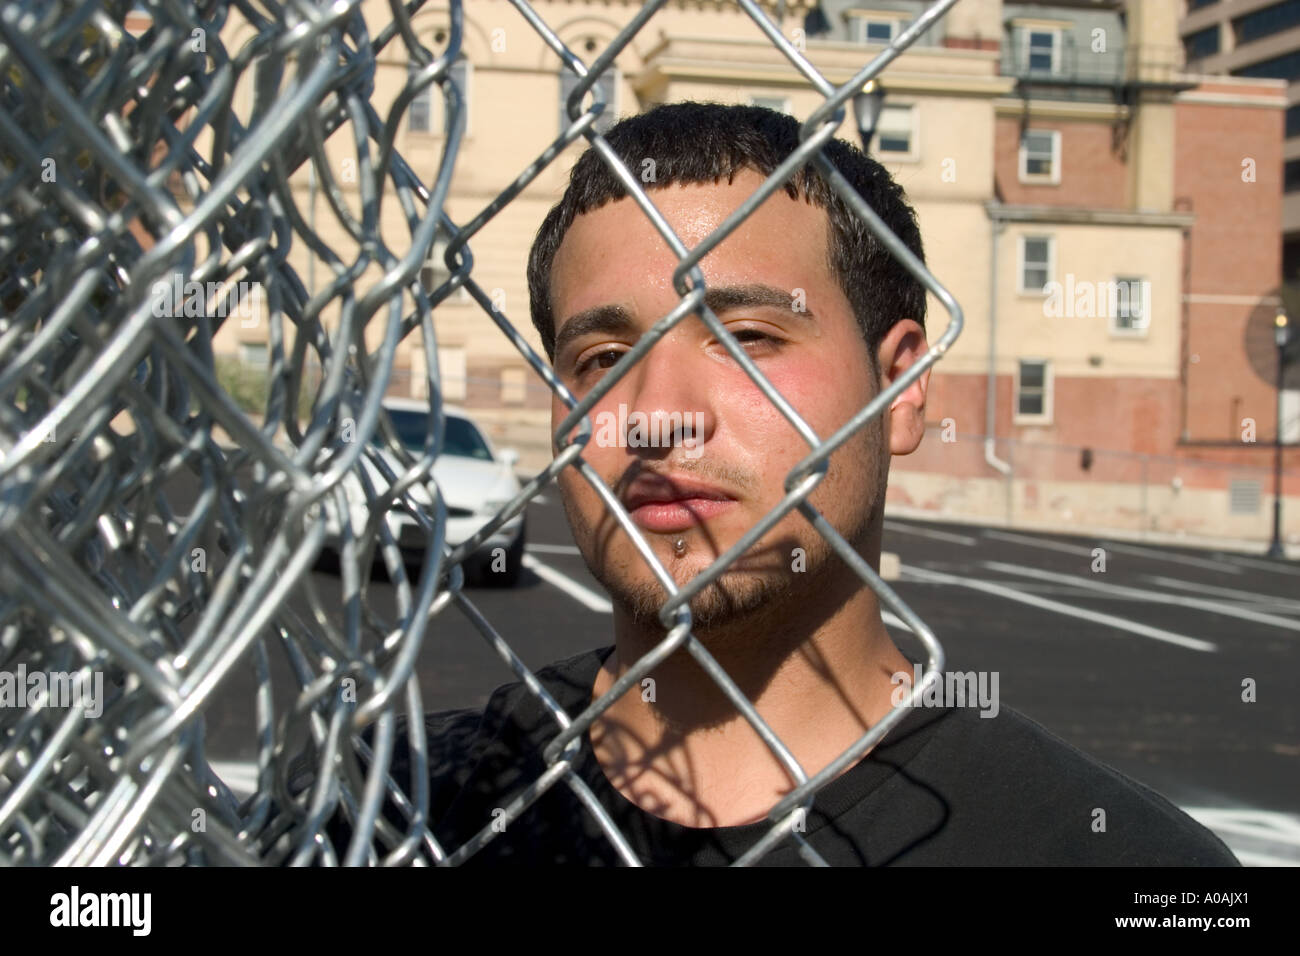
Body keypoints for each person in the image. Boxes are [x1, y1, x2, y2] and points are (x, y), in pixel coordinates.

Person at [315, 101, 1238, 866]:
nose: (657, 414)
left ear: (901, 389)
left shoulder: (1131, 867)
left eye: (750, 338)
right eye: (603, 356)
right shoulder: (389, 806)